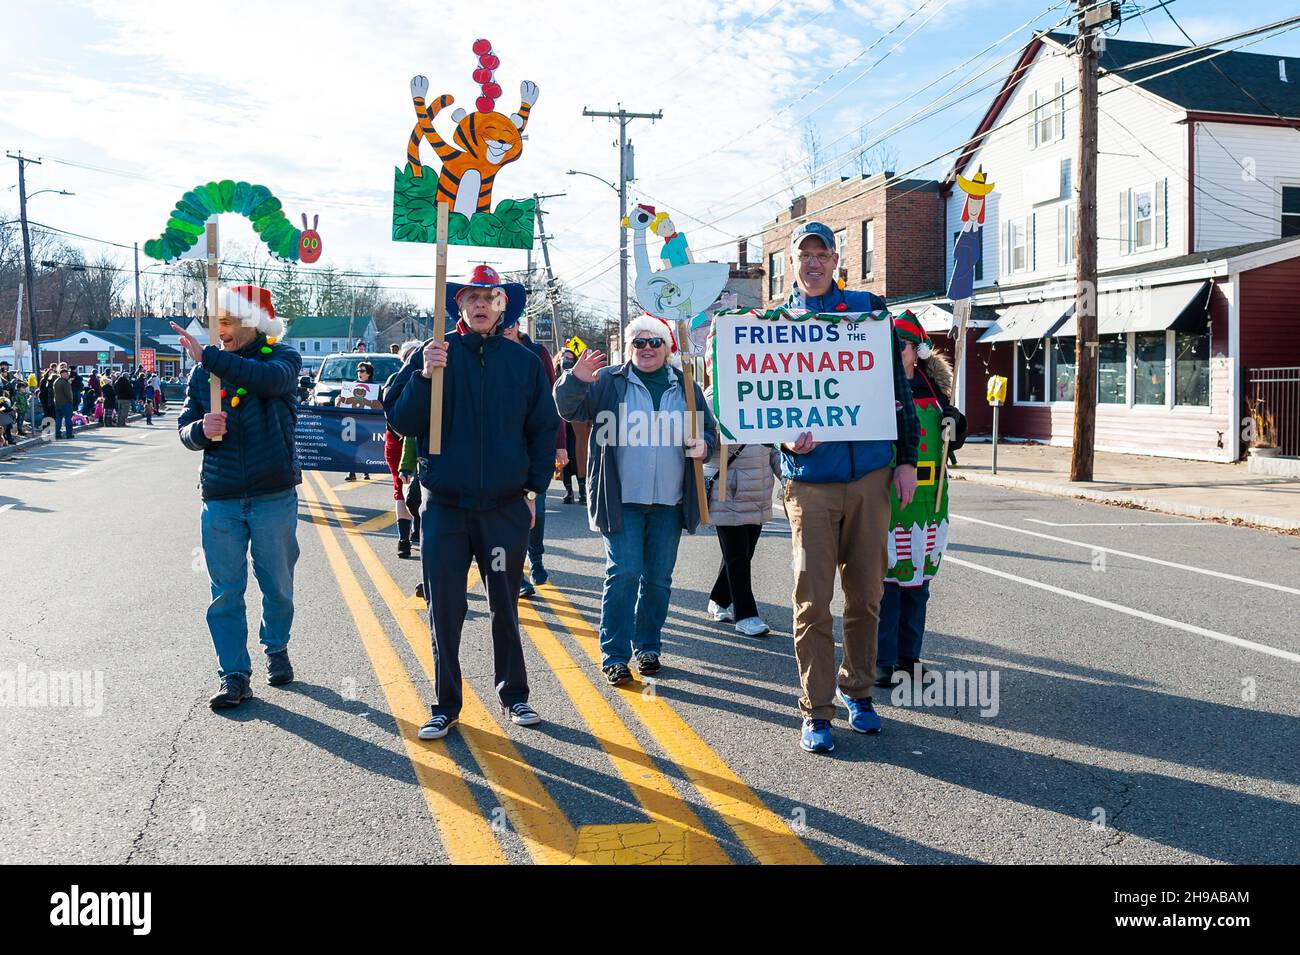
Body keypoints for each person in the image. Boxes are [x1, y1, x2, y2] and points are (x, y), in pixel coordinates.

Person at [383, 265, 560, 741]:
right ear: (458, 306)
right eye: (471, 298)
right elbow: (402, 421)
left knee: (505, 602)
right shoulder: (434, 354)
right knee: (445, 606)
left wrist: (532, 492)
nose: (481, 305)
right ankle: (445, 704)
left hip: (503, 507)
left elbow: (543, 430)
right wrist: (424, 375)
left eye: (490, 298)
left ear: (503, 307)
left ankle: (514, 695)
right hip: (446, 505)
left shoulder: (523, 362)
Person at [777, 221, 919, 755]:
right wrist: (784, 439)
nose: (813, 263)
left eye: (822, 254)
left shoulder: (868, 311)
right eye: (804, 255)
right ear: (792, 263)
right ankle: (816, 710)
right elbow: (757, 403)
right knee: (812, 601)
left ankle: (857, 690)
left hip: (869, 478)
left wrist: (906, 461)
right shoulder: (774, 325)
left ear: (836, 260)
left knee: (866, 596)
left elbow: (898, 391)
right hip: (809, 483)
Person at [554, 315, 717, 685]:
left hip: (669, 501)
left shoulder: (685, 385)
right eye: (638, 342)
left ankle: (648, 647)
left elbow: (709, 431)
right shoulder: (607, 381)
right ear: (629, 347)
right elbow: (569, 409)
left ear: (667, 347)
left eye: (654, 342)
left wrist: (704, 445)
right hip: (620, 499)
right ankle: (614, 655)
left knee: (658, 579)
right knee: (624, 572)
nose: (646, 348)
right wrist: (574, 379)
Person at [172, 284, 303, 710]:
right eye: (215, 323)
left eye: (227, 322)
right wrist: (200, 430)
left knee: (278, 586)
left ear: (253, 323)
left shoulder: (282, 359)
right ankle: (234, 675)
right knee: (225, 592)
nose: (219, 330)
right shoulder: (203, 373)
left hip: (272, 495)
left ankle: (276, 646)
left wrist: (210, 357)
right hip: (221, 498)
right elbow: (184, 429)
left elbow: (267, 382)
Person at [875, 312, 967, 687]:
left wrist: (956, 424)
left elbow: (953, 441)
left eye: (902, 346)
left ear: (918, 351)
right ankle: (882, 659)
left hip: (931, 499)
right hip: (890, 495)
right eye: (891, 345)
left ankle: (909, 657)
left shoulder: (935, 391)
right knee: (888, 583)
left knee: (918, 584)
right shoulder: (876, 388)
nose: (896, 351)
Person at [502, 320, 567, 597]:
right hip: (501, 449)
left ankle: (536, 559)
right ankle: (516, 574)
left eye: (511, 321)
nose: (506, 326)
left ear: (519, 323)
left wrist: (560, 445)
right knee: (507, 515)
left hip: (534, 448)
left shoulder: (537, 353)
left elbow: (552, 402)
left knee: (536, 509)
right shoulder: (487, 349)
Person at [702, 427, 780, 637]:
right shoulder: (715, 406)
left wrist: (786, 477)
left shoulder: (764, 407)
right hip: (727, 489)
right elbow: (703, 443)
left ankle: (719, 599)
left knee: (744, 552)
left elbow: (773, 448)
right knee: (737, 555)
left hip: (758, 491)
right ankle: (746, 615)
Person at [381, 341, 422, 558]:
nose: (412, 359)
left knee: (421, 487)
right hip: (398, 439)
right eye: (409, 356)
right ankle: (403, 539)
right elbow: (391, 412)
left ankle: (418, 529)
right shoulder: (394, 380)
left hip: (420, 438)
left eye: (416, 354)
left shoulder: (430, 378)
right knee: (401, 486)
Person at [337, 361, 378, 481]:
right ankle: (351, 472)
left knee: (365, 448)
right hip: (352, 422)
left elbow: (380, 406)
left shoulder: (375, 387)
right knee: (352, 447)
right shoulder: (351, 386)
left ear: (368, 373)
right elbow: (344, 401)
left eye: (362, 371)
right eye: (358, 371)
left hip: (367, 422)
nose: (359, 373)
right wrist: (339, 400)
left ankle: (366, 471)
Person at [52, 364, 76, 439]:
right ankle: (69, 434)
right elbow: (68, 393)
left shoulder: (56, 381)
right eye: (66, 374)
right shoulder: (65, 382)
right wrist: (71, 402)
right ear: (62, 374)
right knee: (68, 419)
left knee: (58, 419)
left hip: (58, 403)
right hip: (66, 403)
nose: (67, 375)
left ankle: (57, 434)